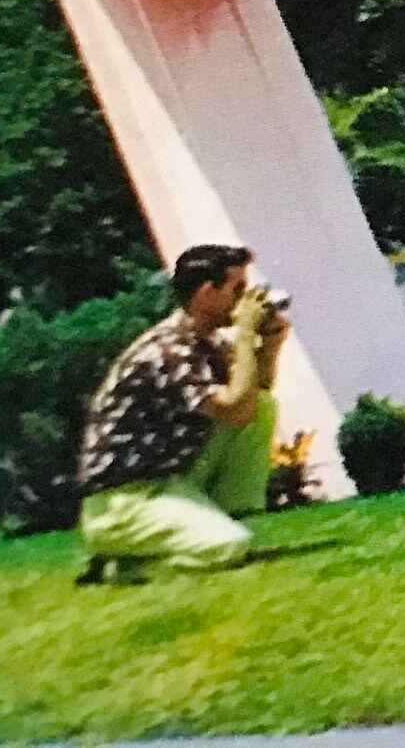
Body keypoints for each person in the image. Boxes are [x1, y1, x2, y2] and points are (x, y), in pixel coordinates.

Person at [74, 242, 287, 584]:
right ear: (206, 292)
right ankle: (124, 568)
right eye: (237, 289)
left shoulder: (206, 342)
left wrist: (270, 345)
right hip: (123, 501)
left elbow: (250, 399)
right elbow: (233, 409)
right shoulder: (169, 349)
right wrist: (246, 335)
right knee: (230, 548)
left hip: (166, 480)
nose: (244, 298)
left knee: (262, 406)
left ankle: (215, 520)